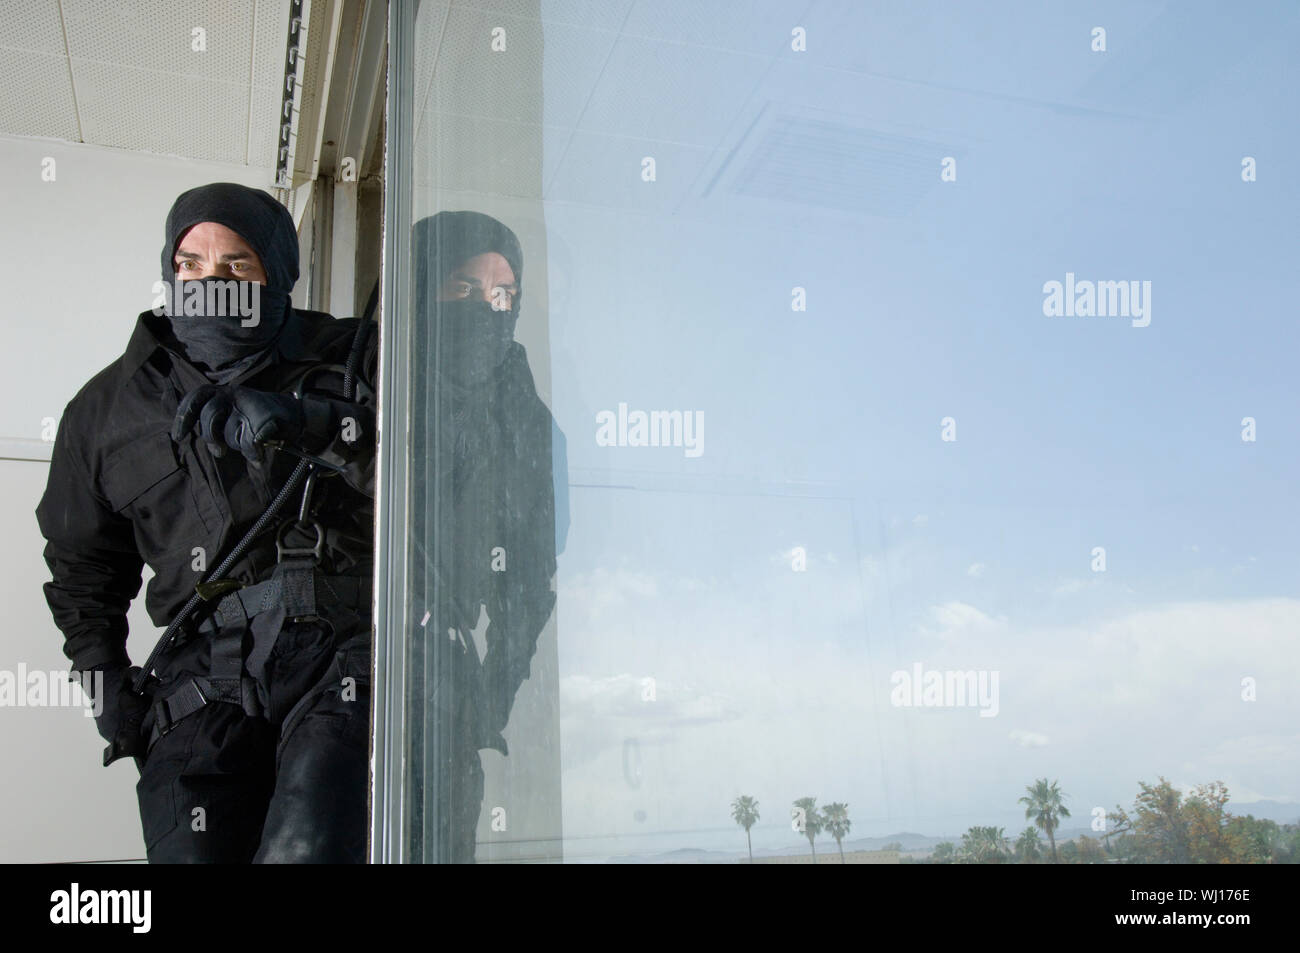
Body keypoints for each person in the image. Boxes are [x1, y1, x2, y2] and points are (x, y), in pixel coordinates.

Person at [35, 182, 377, 863]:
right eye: (192, 266)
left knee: (305, 847)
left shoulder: (352, 359)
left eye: (237, 268)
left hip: (341, 659)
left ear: (278, 273)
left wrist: (318, 428)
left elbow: (430, 474)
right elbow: (82, 569)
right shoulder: (104, 410)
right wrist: (105, 682)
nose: (211, 285)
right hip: (197, 685)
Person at [408, 211, 566, 862]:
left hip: (444, 688)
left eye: (502, 294)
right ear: (421, 290)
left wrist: (491, 697)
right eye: (463, 288)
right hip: (328, 677)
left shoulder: (526, 426)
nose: (486, 308)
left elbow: (528, 582)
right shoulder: (370, 389)